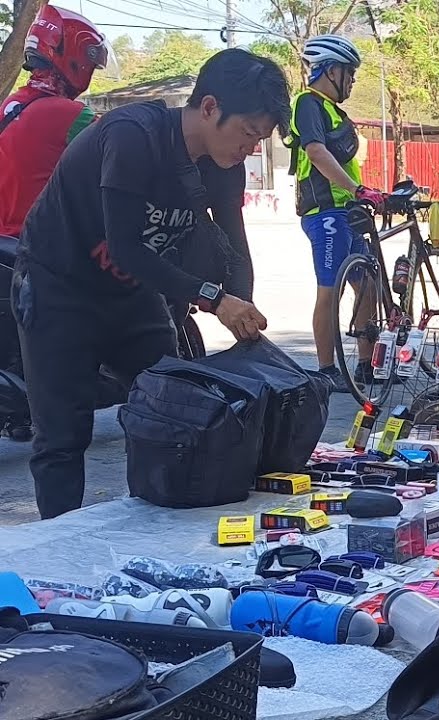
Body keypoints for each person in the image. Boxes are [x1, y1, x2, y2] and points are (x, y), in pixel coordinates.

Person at [15, 48, 288, 519]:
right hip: (58, 284)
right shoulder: (134, 135)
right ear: (209, 107)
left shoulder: (224, 167)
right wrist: (212, 297)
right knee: (62, 436)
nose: (250, 148)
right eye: (247, 133)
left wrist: (244, 310)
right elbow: (125, 247)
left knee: (172, 405)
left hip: (130, 291)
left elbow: (233, 245)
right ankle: (56, 557)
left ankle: (157, 530)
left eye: (259, 139)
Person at [290, 34, 386, 392]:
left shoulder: (334, 112)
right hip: (325, 211)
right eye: (349, 73)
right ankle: (327, 369)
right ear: (330, 71)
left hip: (347, 211)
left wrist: (366, 192)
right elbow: (316, 152)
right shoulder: (308, 103)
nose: (353, 80)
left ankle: (364, 363)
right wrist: (356, 189)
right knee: (329, 290)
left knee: (367, 284)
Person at [0, 5, 105, 238]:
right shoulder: (73, 114)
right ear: (77, 61)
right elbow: (122, 146)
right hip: (35, 246)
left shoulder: (12, 103)